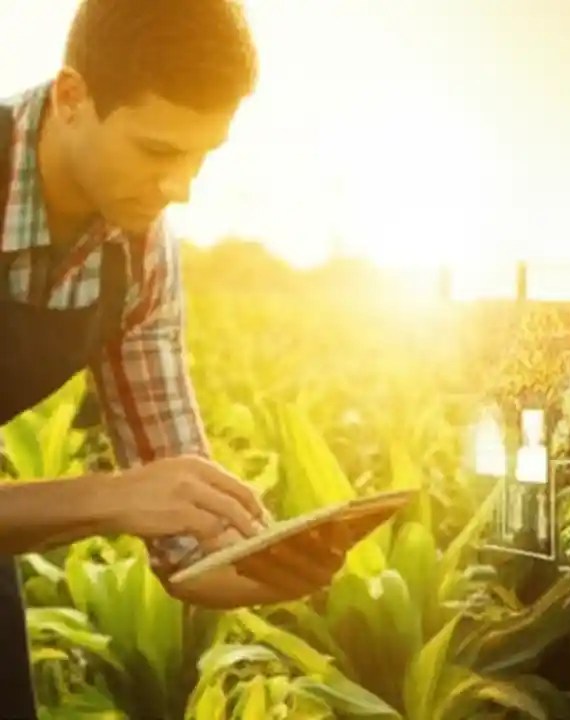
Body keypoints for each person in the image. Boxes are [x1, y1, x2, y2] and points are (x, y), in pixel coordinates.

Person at [0, 1, 347, 715]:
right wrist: (110, 497)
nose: (180, 189)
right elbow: (129, 499)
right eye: (158, 150)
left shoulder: (142, 251)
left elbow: (187, 559)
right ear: (72, 97)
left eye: (200, 157)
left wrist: (275, 569)